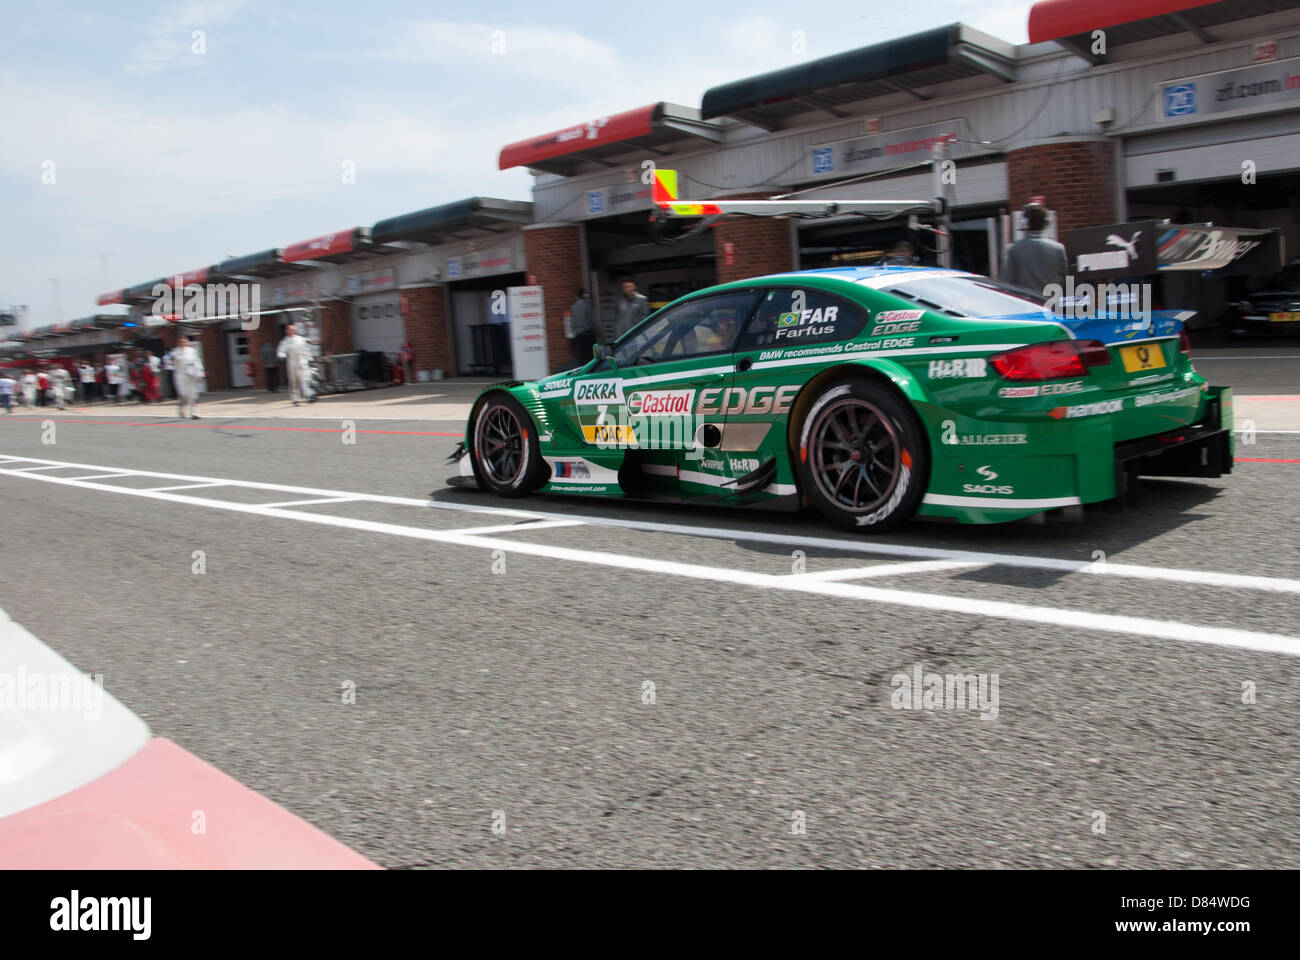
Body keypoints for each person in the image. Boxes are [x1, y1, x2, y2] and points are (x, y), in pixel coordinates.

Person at [1002, 202, 1067, 296]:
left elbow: (1008, 282)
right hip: (1052, 305)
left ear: (1024, 223)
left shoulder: (1014, 249)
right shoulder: (1058, 249)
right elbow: (1064, 280)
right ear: (1046, 223)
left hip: (1027, 305)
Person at [277, 323, 316, 405]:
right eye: (290, 329)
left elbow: (306, 350)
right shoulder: (285, 342)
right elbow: (281, 351)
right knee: (293, 382)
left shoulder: (301, 339)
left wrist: (310, 360)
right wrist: (282, 356)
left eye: (293, 329)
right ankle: (295, 398)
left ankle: (309, 395)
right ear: (287, 331)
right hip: (292, 363)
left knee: (305, 380)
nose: (292, 331)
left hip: (302, 362)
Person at [173, 336, 204, 419]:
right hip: (180, 375)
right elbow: (169, 362)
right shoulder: (175, 352)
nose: (183, 343)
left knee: (193, 394)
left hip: (191, 374)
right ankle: (181, 409)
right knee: (184, 395)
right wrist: (172, 360)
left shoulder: (192, 351)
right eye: (181, 342)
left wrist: (200, 373)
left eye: (184, 342)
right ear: (178, 343)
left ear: (187, 342)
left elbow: (197, 362)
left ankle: (194, 412)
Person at [566, 288, 595, 366]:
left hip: (578, 334)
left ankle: (583, 368)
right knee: (590, 354)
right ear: (584, 295)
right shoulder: (587, 305)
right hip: (588, 333)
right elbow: (591, 319)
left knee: (582, 355)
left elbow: (572, 323)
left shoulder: (573, 307)